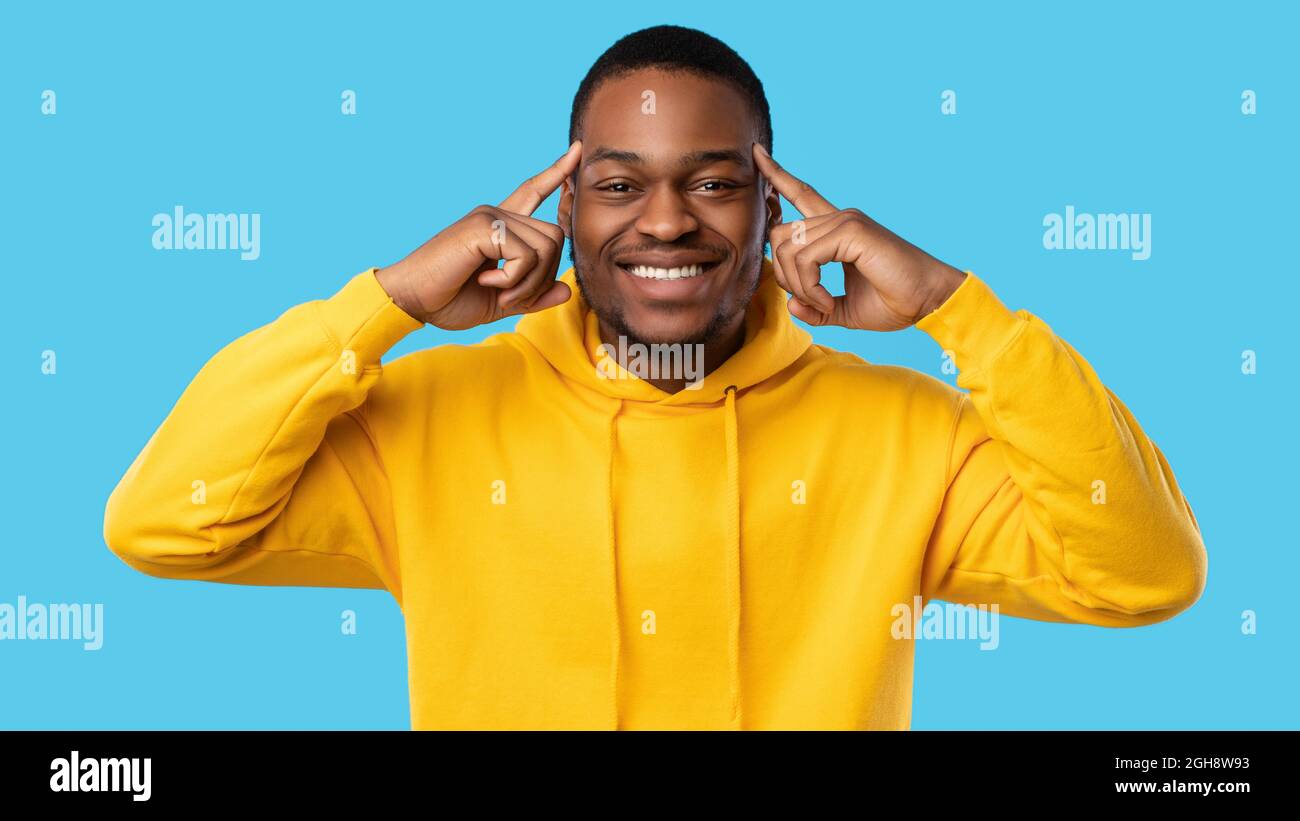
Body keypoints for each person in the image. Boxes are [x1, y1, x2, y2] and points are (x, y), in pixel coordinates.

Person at [103, 25, 1207, 730]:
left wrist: (955, 312)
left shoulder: (912, 433)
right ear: (561, 213)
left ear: (776, 211)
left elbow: (1142, 574)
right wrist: (384, 302)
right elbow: (166, 523)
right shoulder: (427, 420)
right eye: (618, 184)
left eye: (716, 182)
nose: (667, 220)